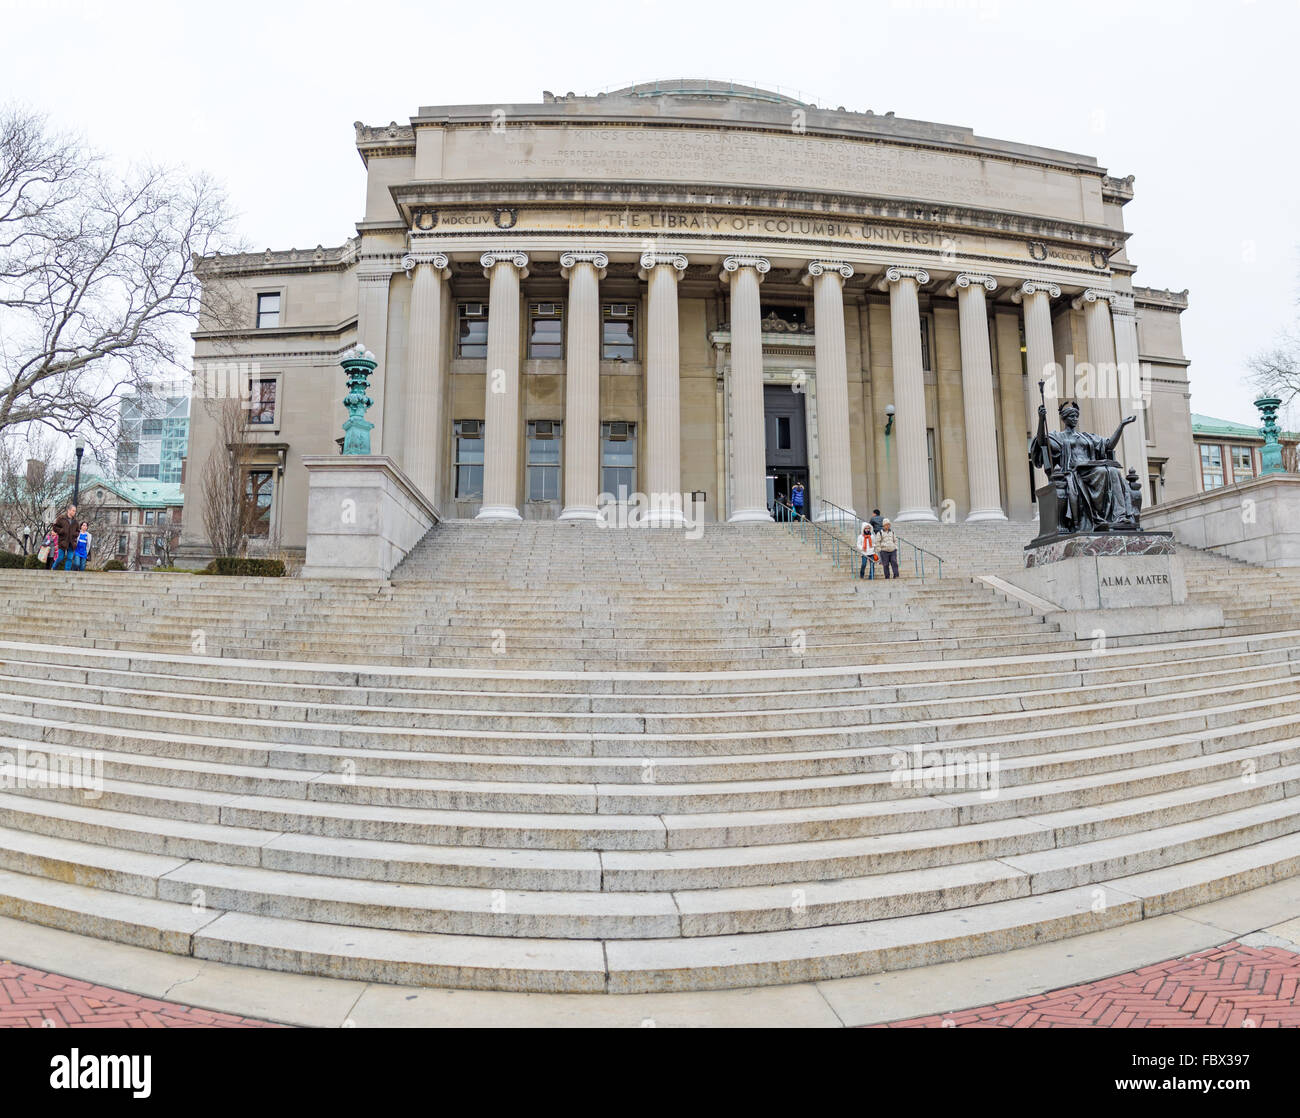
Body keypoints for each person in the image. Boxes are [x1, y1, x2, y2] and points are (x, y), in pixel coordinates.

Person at [51, 504, 78, 571]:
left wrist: (75, 534)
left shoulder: (75, 521)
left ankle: (67, 572)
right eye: (73, 510)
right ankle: (53, 568)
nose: (74, 512)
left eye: (75, 511)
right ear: (69, 510)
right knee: (60, 557)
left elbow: (78, 531)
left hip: (71, 542)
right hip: (63, 541)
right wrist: (61, 531)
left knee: (70, 558)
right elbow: (55, 527)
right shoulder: (61, 518)